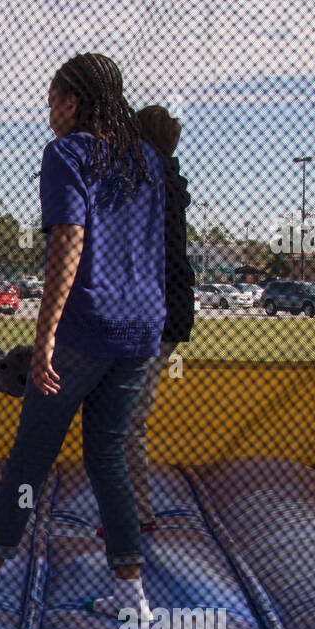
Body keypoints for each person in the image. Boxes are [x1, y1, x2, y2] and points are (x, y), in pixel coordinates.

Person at [0, 54, 165, 622]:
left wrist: (44, 336)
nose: (50, 115)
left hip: (85, 328)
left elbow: (68, 242)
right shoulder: (145, 159)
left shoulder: (67, 154)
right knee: (108, 457)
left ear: (73, 103)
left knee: (31, 455)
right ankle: (131, 591)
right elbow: (150, 246)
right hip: (141, 330)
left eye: (53, 102)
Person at [117, 105, 192, 533]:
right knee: (125, 416)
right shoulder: (163, 179)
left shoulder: (151, 182)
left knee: (128, 419)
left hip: (157, 315)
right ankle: (134, 512)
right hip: (162, 313)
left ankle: (136, 516)